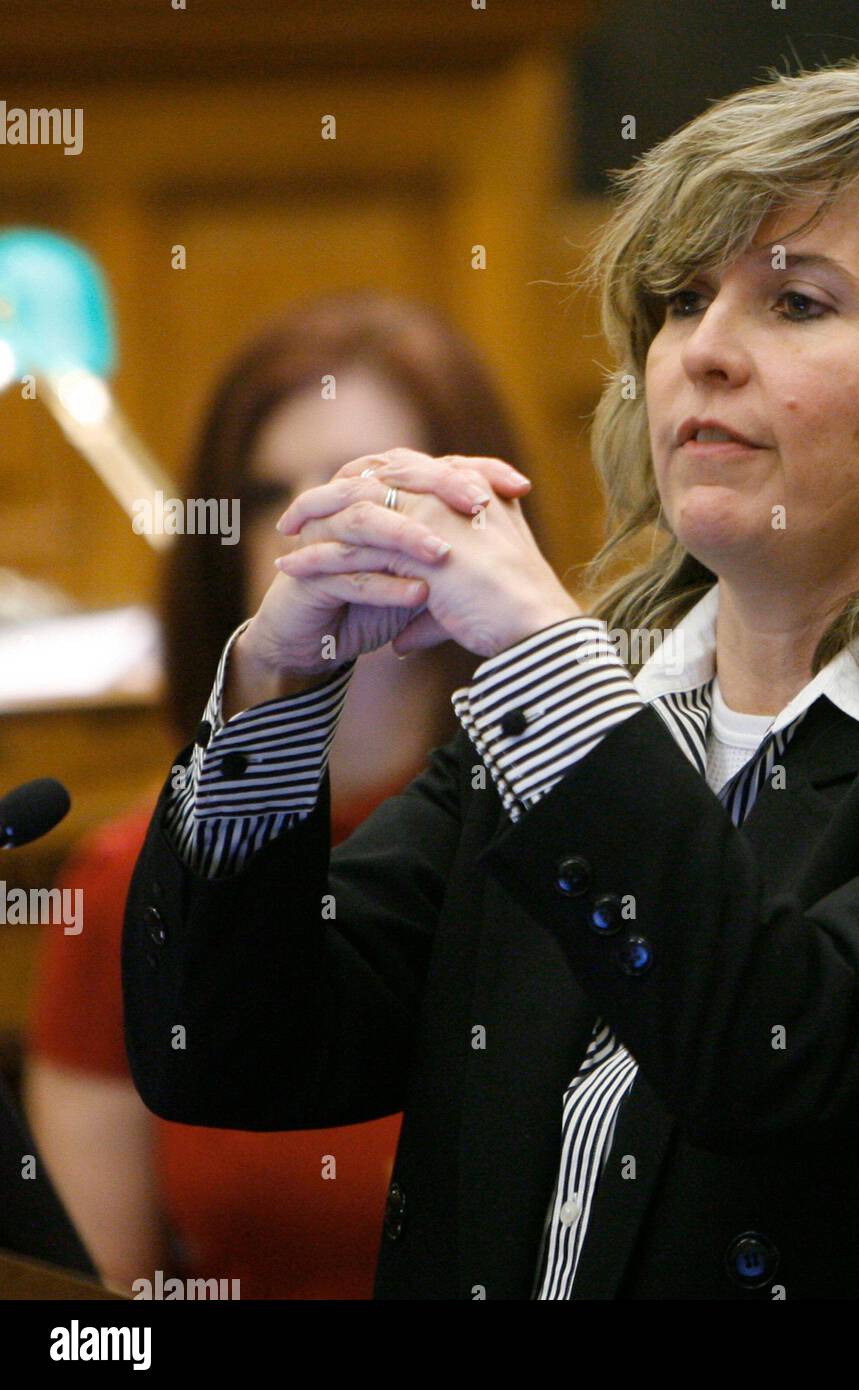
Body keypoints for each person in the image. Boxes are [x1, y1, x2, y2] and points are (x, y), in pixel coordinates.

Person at [120, 60, 859, 1299]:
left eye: (795, 303)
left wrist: (546, 661)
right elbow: (222, 1052)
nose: (703, 351)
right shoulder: (550, 737)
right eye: (682, 299)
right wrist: (273, 690)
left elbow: (778, 1046)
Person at [25, 291, 534, 1297]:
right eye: (267, 494)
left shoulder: (564, 832)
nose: (317, 526)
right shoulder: (138, 877)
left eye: (372, 486)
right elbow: (96, 1306)